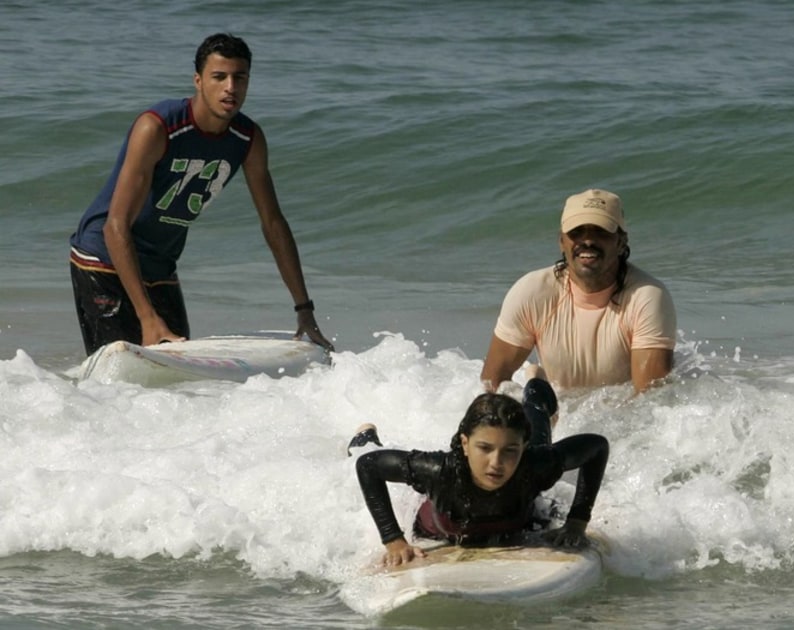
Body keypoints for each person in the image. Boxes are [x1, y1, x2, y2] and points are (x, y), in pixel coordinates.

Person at [68, 33, 332, 356]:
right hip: (104, 260)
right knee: (121, 374)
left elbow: (273, 223)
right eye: (219, 77)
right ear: (198, 80)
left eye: (240, 77)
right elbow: (115, 225)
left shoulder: (247, 139)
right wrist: (147, 315)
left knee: (176, 374)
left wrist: (304, 309)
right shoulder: (158, 128)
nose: (230, 88)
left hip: (161, 265)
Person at [352, 377, 609, 567]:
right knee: (364, 452)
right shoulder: (439, 471)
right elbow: (368, 466)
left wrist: (577, 522)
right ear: (465, 443)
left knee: (542, 448)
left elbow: (597, 446)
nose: (496, 462)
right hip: (438, 529)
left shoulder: (533, 463)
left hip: (523, 508)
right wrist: (393, 539)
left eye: (510, 451)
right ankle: (364, 436)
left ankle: (537, 395)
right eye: (484, 448)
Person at [480, 188, 676, 393]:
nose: (588, 241)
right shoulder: (532, 292)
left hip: (622, 414)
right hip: (559, 410)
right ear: (561, 242)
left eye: (600, 232)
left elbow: (649, 402)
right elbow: (491, 386)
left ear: (621, 242)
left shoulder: (647, 297)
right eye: (576, 232)